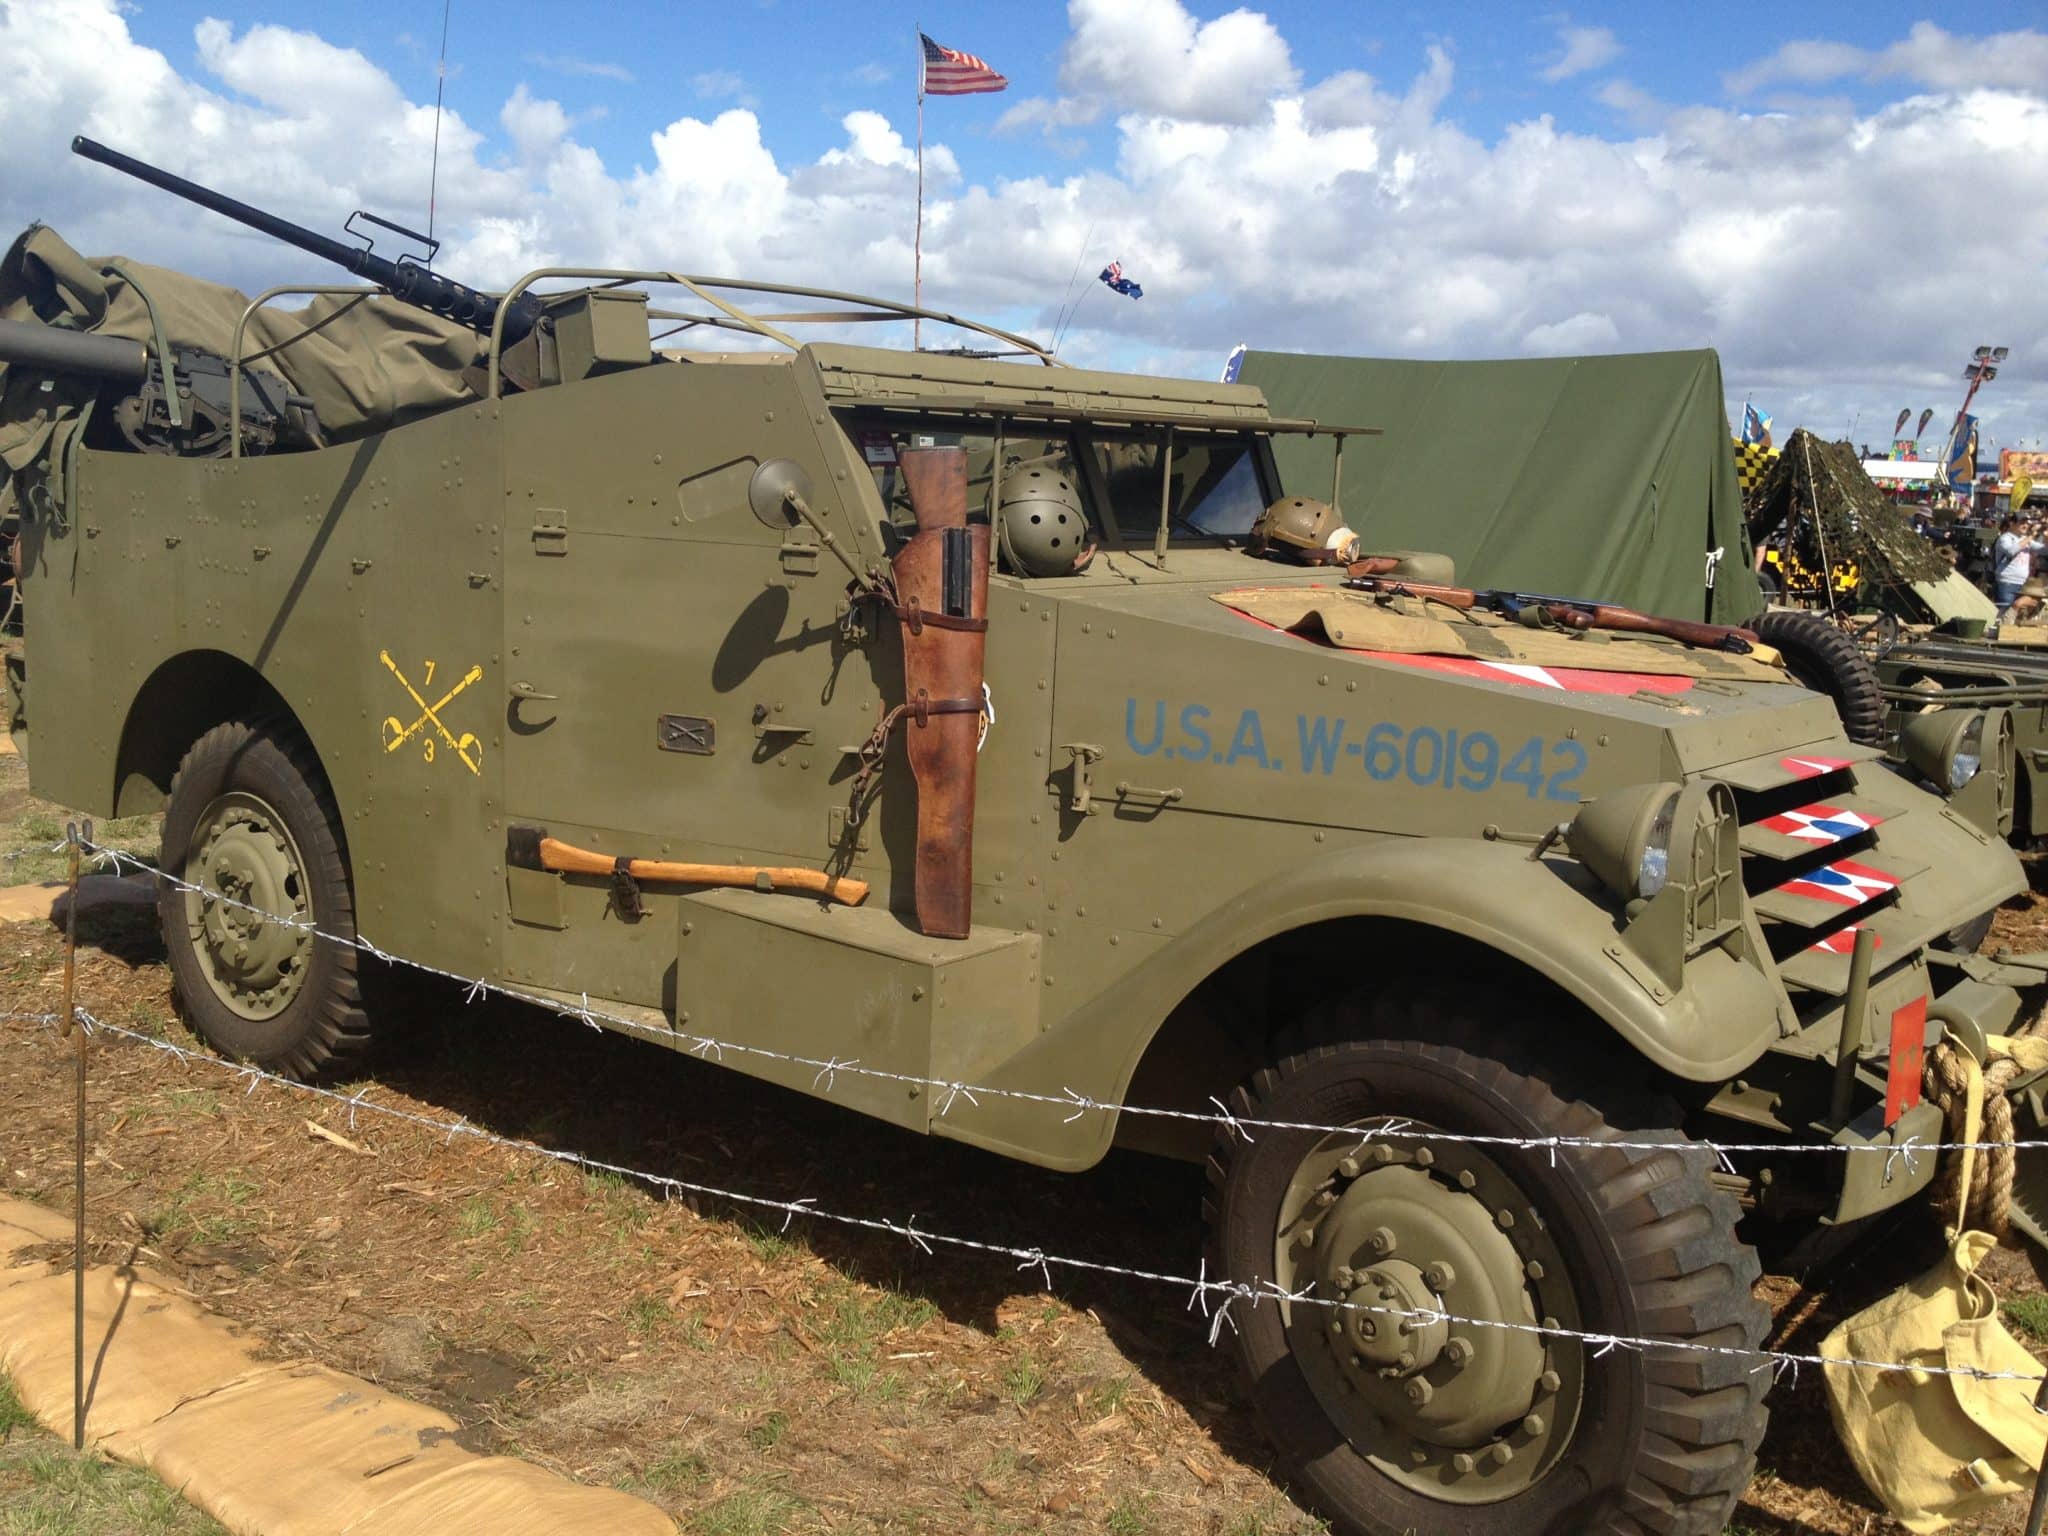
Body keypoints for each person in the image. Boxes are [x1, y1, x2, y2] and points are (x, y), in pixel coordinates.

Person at [1994, 516, 2030, 612]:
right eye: (2022, 523)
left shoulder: (2025, 539)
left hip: (2023, 583)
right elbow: (2011, 551)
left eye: (2027, 523)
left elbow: (2044, 550)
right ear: (2012, 524)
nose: (2025, 525)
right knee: (2002, 614)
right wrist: (2031, 536)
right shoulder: (2005, 538)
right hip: (2007, 582)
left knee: (2016, 615)